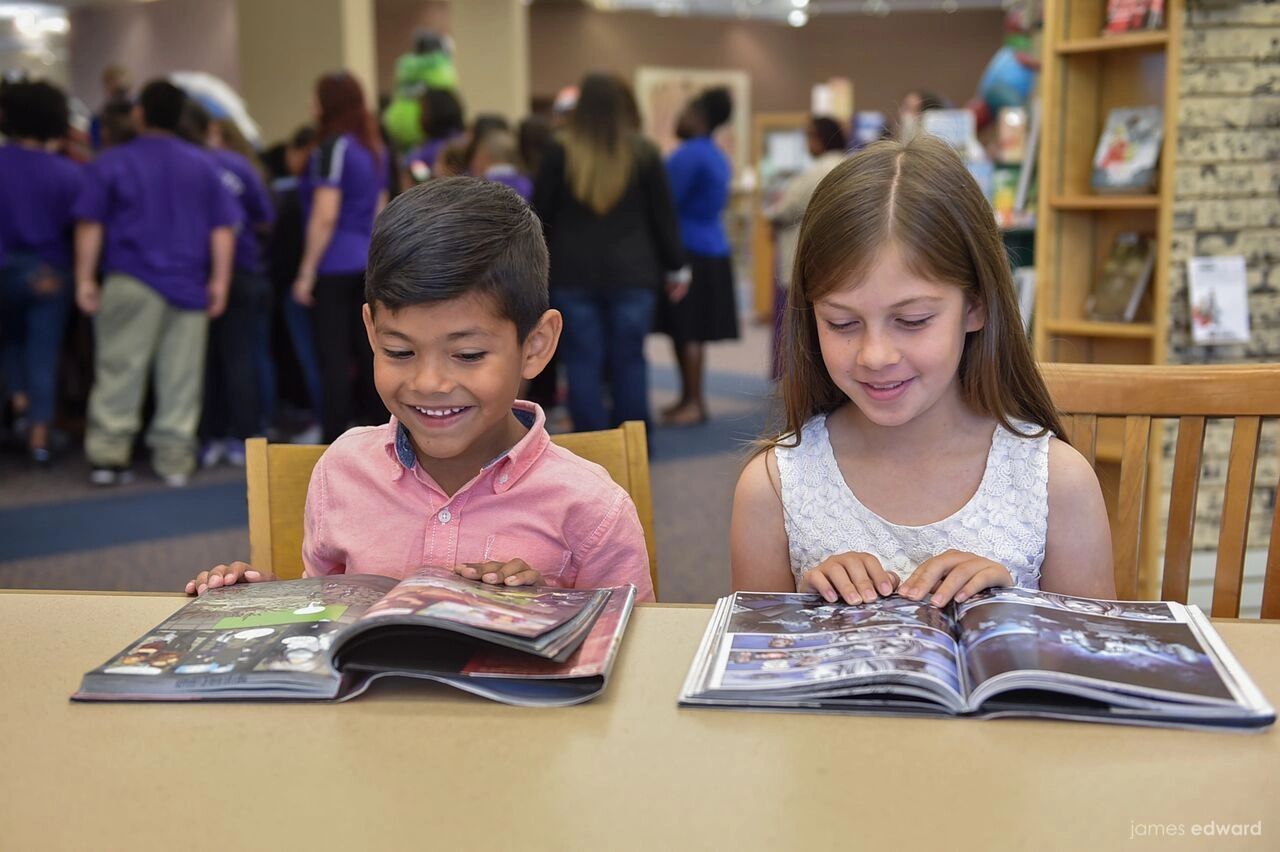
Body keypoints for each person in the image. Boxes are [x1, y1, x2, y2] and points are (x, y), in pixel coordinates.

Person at [185, 178, 654, 601]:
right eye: (399, 352)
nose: (429, 384)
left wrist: (549, 611)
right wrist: (260, 607)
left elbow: (636, 656)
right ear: (371, 332)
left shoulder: (592, 508)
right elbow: (323, 612)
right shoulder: (341, 471)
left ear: (535, 345)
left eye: (468, 355)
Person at [731, 134, 1114, 608]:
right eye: (842, 323)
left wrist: (1018, 610)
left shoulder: (1056, 482)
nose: (874, 355)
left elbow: (1088, 662)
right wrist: (799, 611)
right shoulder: (773, 487)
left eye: (912, 321)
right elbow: (754, 663)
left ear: (976, 306)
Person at [74, 79, 237, 486]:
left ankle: (109, 457)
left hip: (130, 278)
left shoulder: (113, 160)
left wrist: (84, 278)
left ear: (140, 113)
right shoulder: (203, 164)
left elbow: (90, 223)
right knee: (181, 377)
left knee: (119, 370)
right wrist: (220, 280)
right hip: (188, 282)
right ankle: (174, 459)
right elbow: (223, 228)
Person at [533, 73, 684, 432]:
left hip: (572, 273)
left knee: (582, 361)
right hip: (633, 274)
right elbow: (662, 216)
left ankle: (594, 449)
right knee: (630, 361)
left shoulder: (559, 149)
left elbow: (540, 215)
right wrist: (677, 267)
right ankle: (635, 446)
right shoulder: (643, 150)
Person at [177, 100, 274, 467]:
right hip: (243, 269)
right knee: (241, 358)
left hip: (193, 273)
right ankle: (244, 439)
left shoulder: (182, 167)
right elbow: (265, 216)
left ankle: (209, 438)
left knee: (202, 361)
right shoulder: (236, 164)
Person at [292, 72, 388, 443]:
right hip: (367, 262)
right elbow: (380, 209)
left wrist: (305, 271)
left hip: (334, 264)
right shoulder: (372, 147)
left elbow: (325, 213)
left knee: (332, 356)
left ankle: (333, 436)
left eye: (315, 98)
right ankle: (382, 433)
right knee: (370, 351)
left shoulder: (333, 148)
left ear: (328, 104)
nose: (310, 106)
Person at [0, 80, 83, 465]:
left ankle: (17, 401)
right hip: (49, 271)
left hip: (5, 269)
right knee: (44, 352)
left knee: (10, 343)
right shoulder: (66, 172)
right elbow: (80, 228)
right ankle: (39, 435)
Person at [657, 87, 739, 427]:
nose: (680, 118)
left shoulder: (688, 154)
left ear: (700, 117)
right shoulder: (716, 154)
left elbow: (663, 202)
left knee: (688, 329)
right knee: (689, 330)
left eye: (686, 111)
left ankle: (694, 402)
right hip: (713, 245)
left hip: (689, 249)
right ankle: (689, 398)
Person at [764, 115, 848, 378]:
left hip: (801, 256)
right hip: (836, 259)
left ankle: (792, 377)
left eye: (811, 136)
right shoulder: (851, 166)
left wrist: (773, 210)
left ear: (821, 138)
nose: (807, 143)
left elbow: (785, 208)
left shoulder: (817, 171)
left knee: (795, 322)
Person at [405, 86, 464, 183]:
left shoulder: (430, 150)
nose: (419, 116)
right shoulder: (463, 139)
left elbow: (420, 176)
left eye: (423, 110)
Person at [468, 127, 531, 202]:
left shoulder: (480, 186)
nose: (473, 161)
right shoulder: (526, 183)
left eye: (476, 155)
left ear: (484, 155)